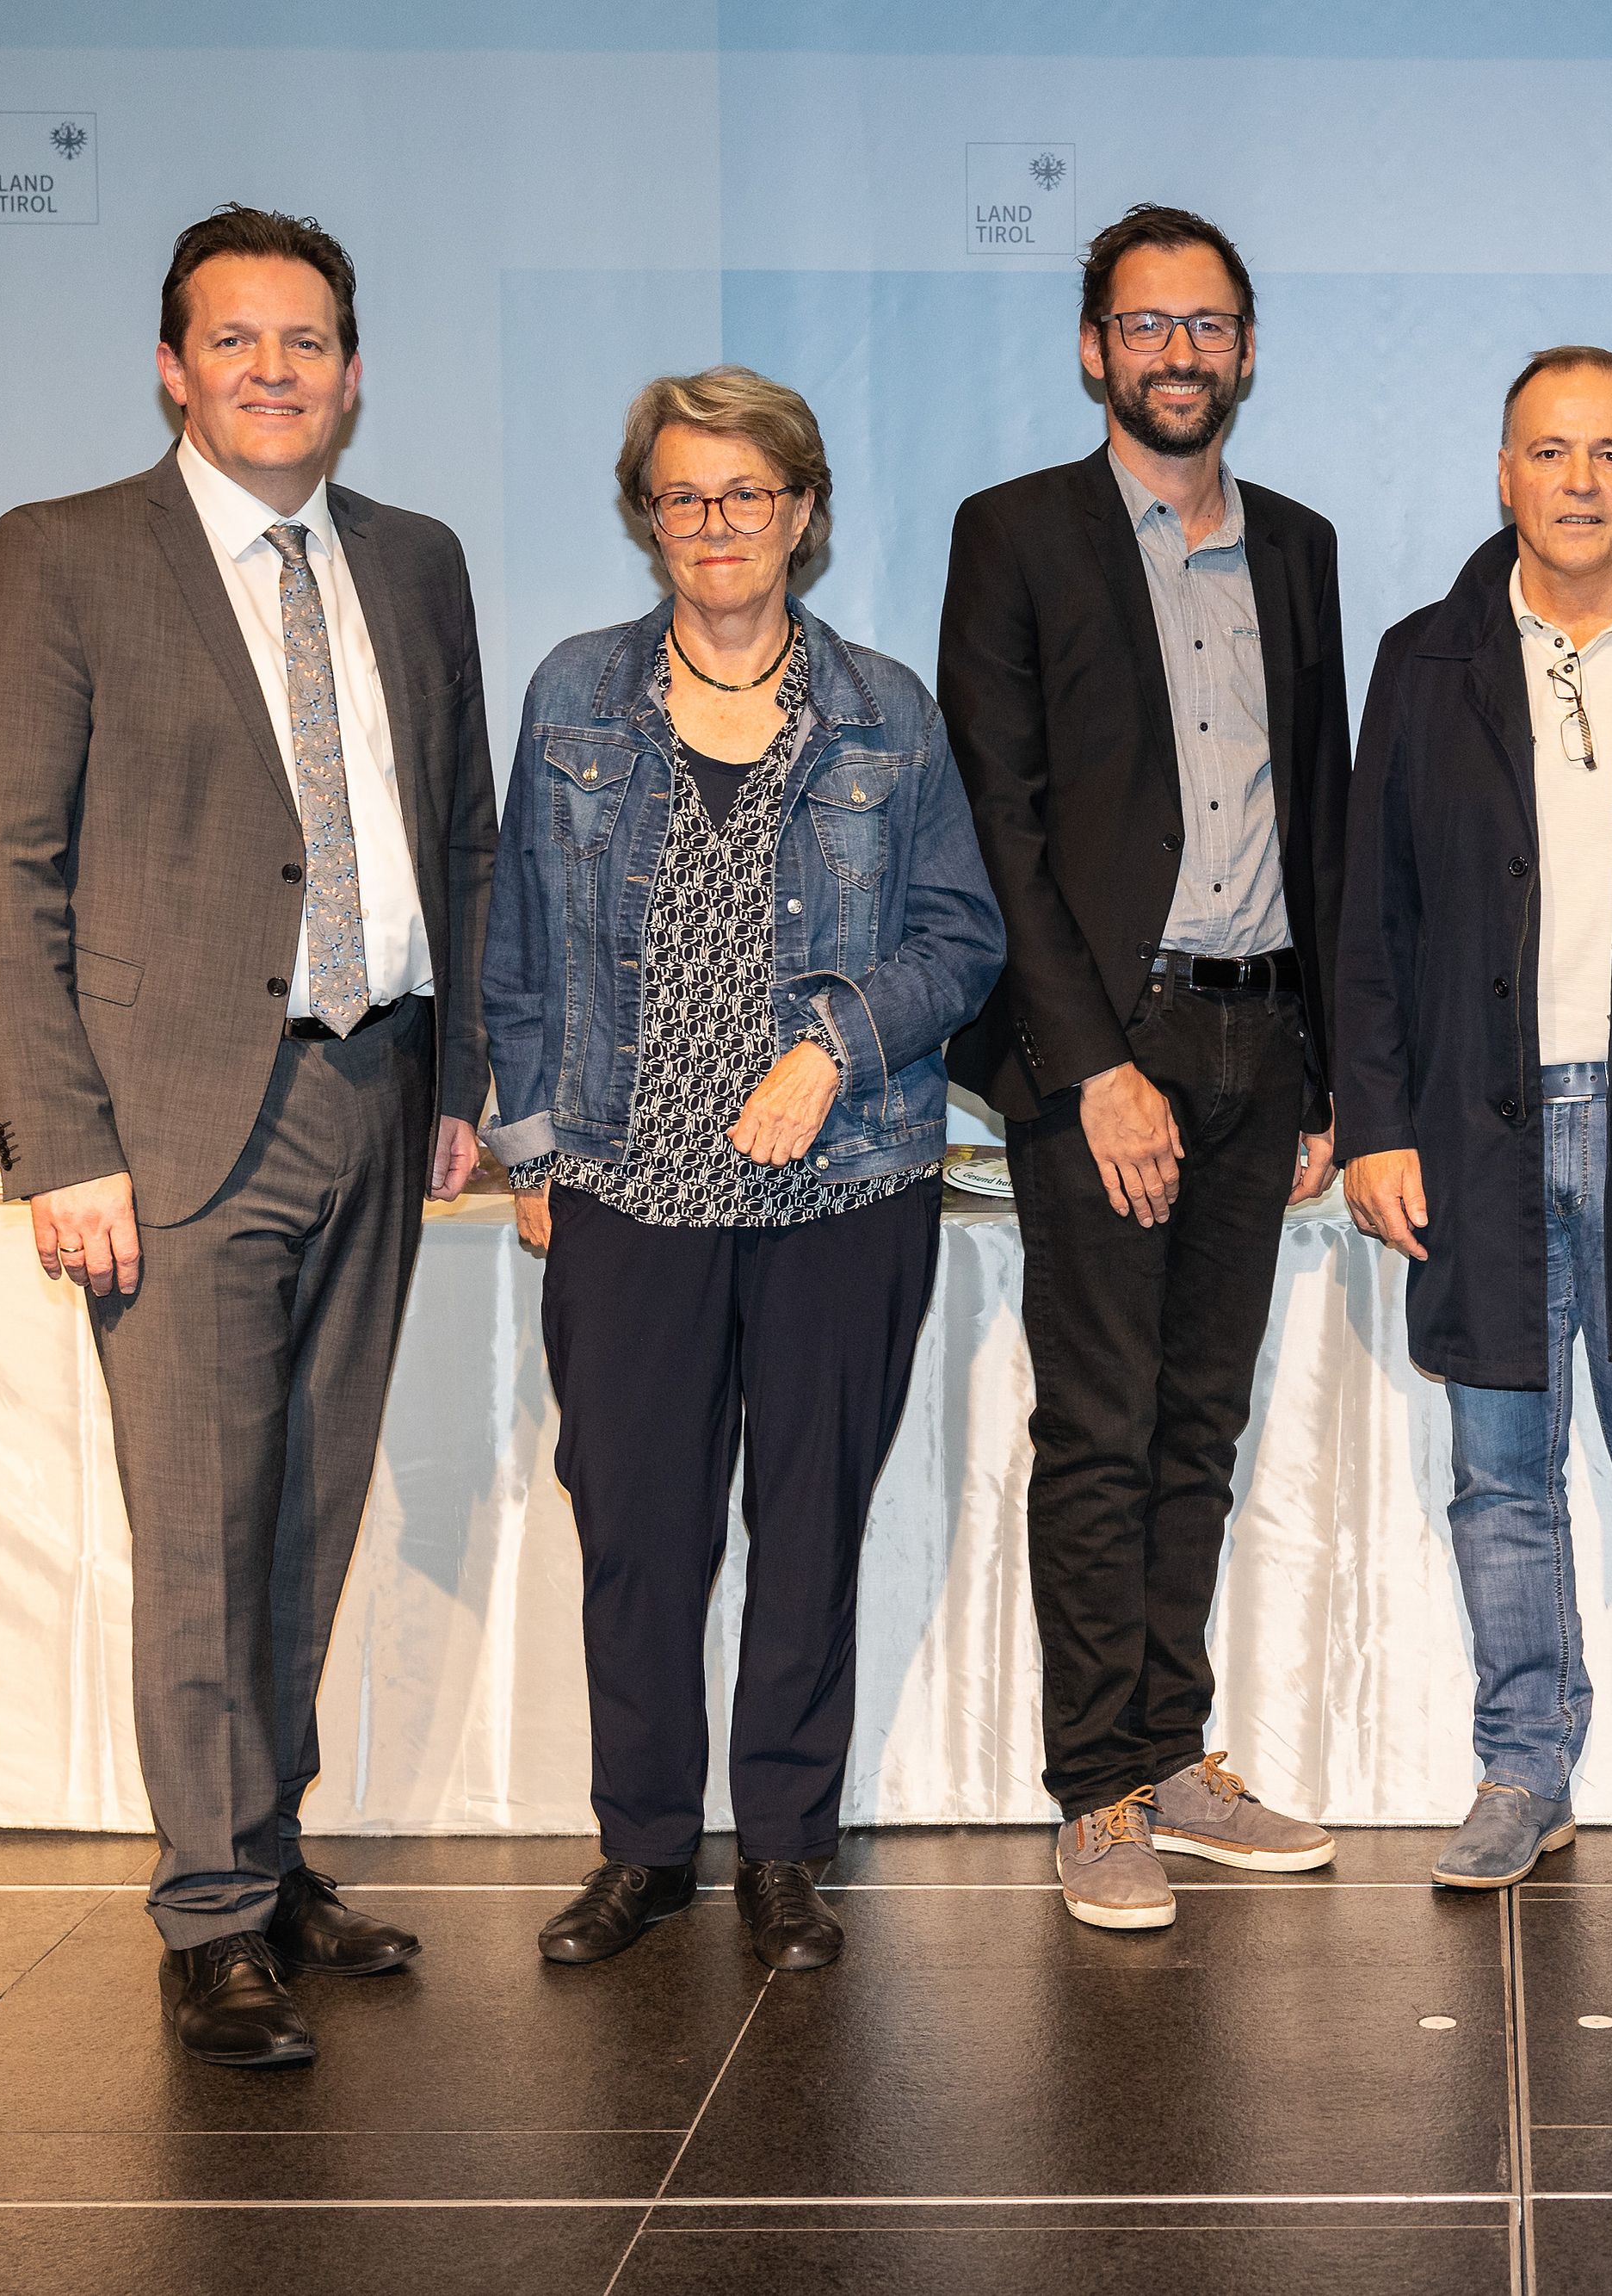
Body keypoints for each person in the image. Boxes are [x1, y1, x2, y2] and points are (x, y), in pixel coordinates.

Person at [0, 206, 495, 2069]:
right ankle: (204, 1917)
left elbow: (466, 839)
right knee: (201, 1529)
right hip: (174, 1129)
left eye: (311, 340)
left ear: (353, 371)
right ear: (173, 367)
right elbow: (3, 867)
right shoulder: (66, 557)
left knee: (306, 1521)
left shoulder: (414, 565)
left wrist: (471, 1077)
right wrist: (59, 1141)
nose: (278, 370)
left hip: (378, 1085)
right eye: (238, 341)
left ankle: (268, 1861)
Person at [482, 369, 1003, 1974]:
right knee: (637, 1530)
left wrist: (833, 1043)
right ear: (652, 520)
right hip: (629, 1189)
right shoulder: (574, 696)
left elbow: (962, 940)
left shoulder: (887, 709)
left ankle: (783, 1850)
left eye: (747, 495)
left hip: (844, 1190)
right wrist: (533, 1143)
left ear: (803, 515)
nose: (716, 525)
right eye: (683, 497)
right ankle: (641, 1848)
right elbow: (519, 948)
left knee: (807, 1522)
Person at [938, 203, 1350, 1930]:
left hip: (1267, 1040)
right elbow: (1000, 823)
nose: (1176, 351)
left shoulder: (1300, 546)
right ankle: (1093, 1788)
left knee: (1200, 1416)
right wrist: (1089, 1061)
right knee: (1098, 1424)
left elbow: (1313, 808)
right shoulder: (1017, 534)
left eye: (1206, 324)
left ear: (1243, 350)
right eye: (1144, 324)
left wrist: (1332, 1073)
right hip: (1114, 1045)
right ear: (1096, 350)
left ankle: (1172, 1757)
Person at [1337, 348, 1612, 1897]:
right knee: (1501, 1477)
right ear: (1504, 474)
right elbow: (1371, 920)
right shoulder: (1424, 660)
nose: (1582, 482)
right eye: (1550, 452)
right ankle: (1524, 1771)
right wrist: (1375, 1123)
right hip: (1479, 1130)